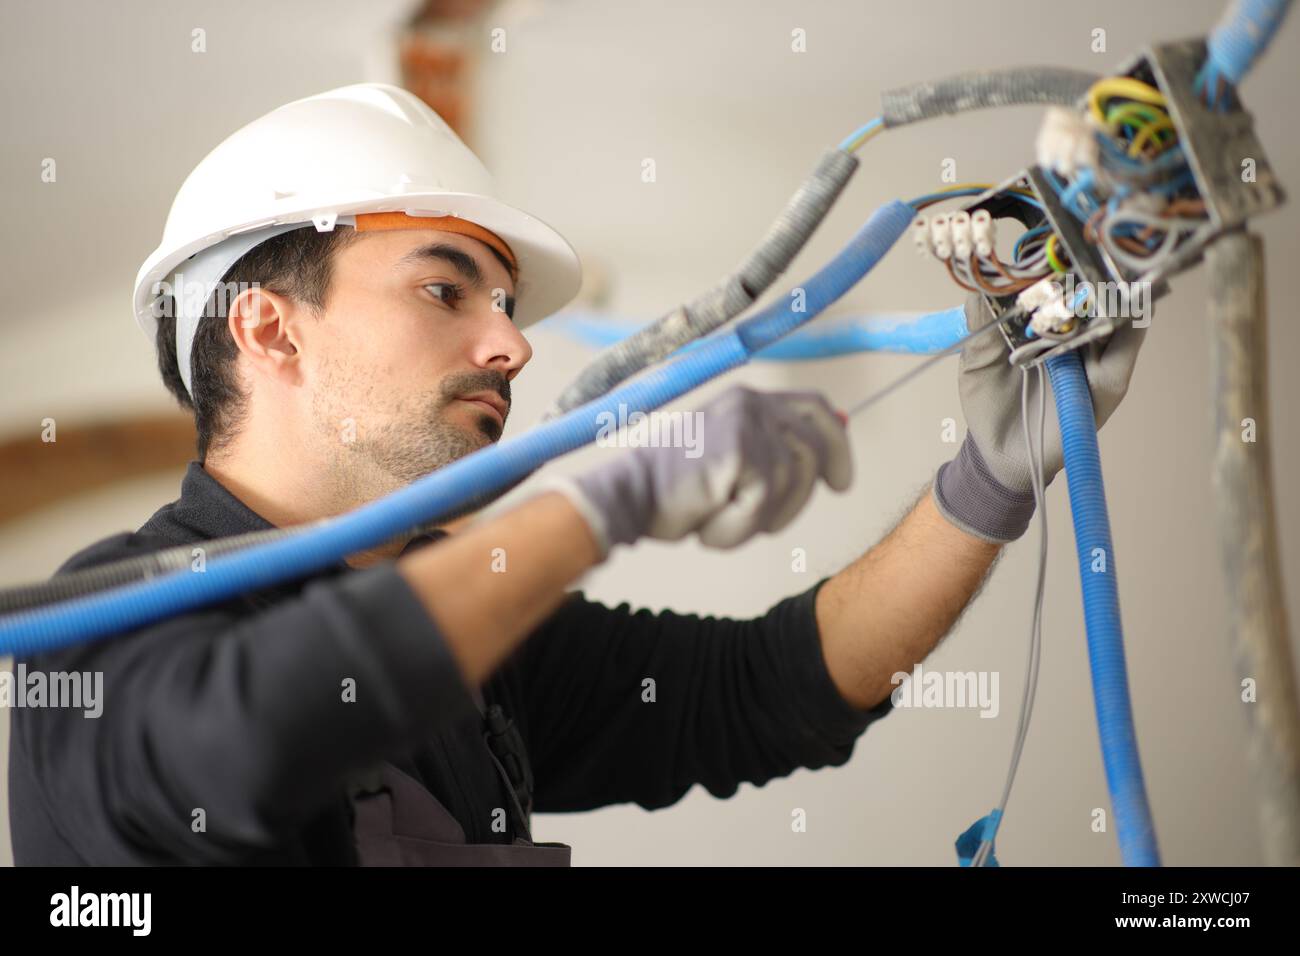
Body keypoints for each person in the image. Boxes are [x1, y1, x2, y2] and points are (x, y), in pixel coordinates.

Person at [8, 84, 1143, 865]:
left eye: (505, 307)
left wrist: (991, 478)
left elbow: (759, 689)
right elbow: (248, 733)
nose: (511, 346)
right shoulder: (98, 623)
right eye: (446, 290)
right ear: (271, 329)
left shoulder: (478, 643)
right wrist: (596, 507)